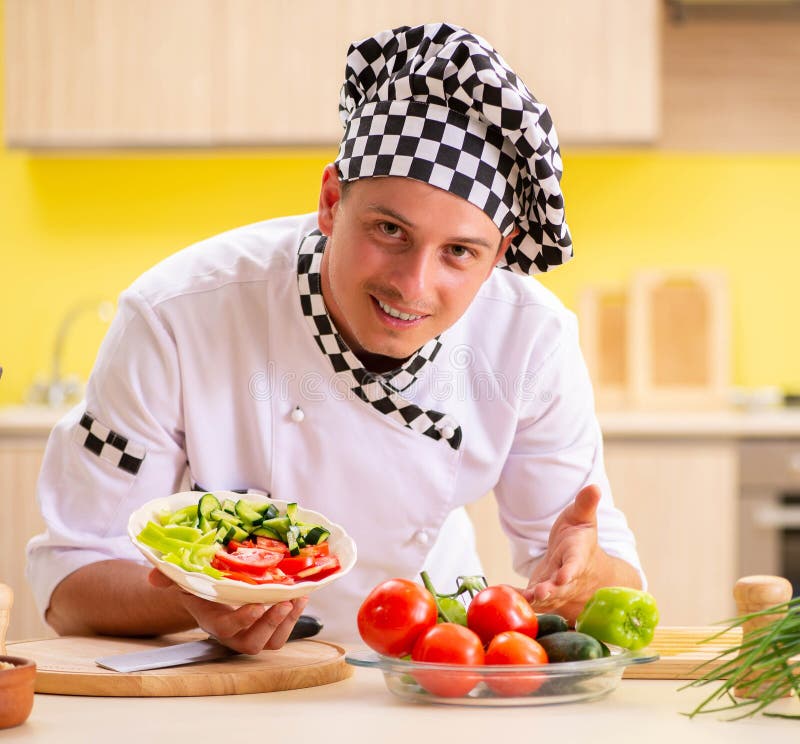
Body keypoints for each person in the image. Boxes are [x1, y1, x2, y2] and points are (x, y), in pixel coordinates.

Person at [27, 23, 644, 652]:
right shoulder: (177, 316)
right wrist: (198, 596)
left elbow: (603, 577)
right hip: (239, 681)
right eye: (389, 230)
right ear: (330, 201)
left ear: (499, 255)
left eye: (460, 251)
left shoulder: (530, 340)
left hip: (432, 663)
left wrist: (585, 576)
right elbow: (68, 586)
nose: (413, 284)